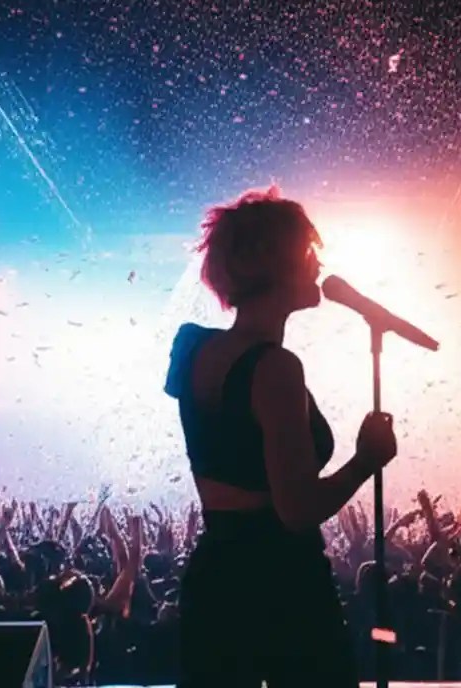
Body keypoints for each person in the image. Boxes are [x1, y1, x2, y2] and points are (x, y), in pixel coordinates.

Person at [164, 187, 398, 687]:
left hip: (216, 577)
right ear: (272, 262)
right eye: (308, 251)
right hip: (281, 583)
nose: (318, 264)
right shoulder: (275, 369)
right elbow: (296, 509)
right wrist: (364, 461)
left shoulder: (193, 349)